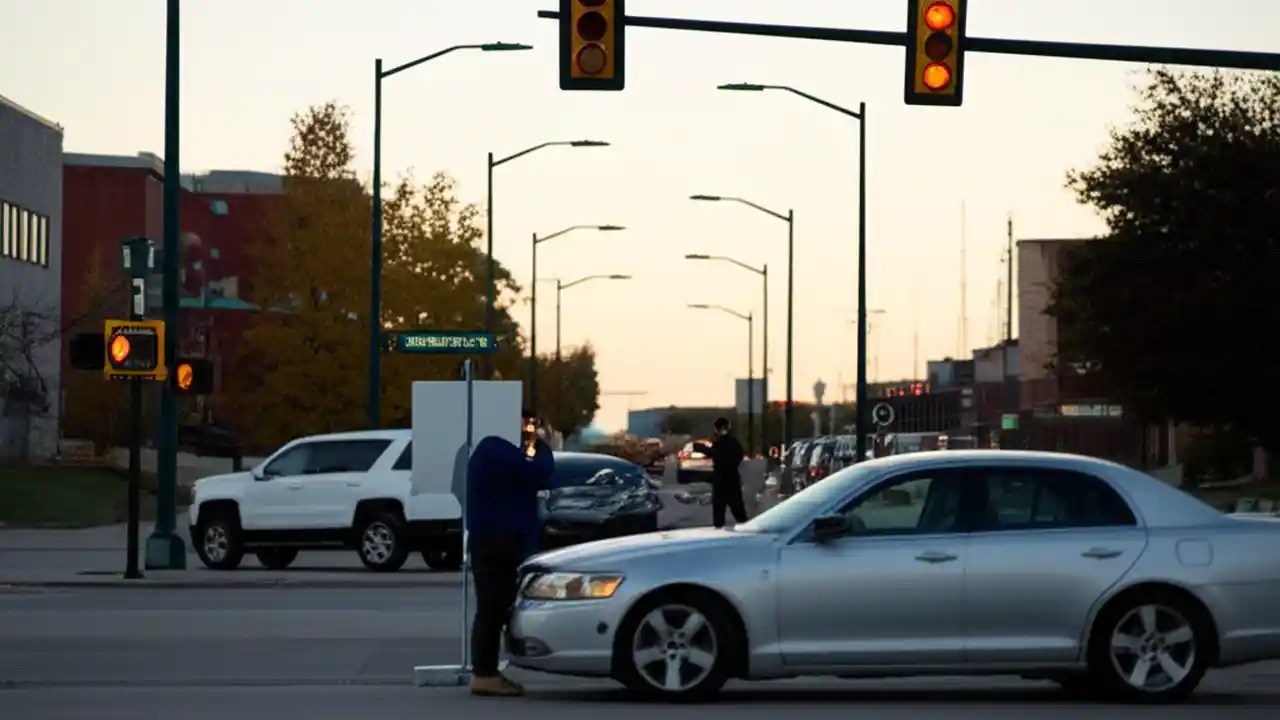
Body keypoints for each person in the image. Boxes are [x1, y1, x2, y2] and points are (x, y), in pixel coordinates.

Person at [466, 408, 555, 697]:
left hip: (496, 539)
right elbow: (540, 472)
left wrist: (532, 443)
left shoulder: (496, 451)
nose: (530, 429)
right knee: (492, 609)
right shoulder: (494, 449)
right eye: (527, 423)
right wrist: (543, 445)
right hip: (498, 542)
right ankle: (485, 674)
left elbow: (527, 467)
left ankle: (487, 672)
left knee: (493, 608)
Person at [694, 417, 749, 528]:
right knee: (735, 507)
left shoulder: (723, 443)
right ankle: (745, 526)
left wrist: (706, 450)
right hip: (731, 478)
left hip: (723, 479)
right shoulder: (733, 442)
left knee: (722, 507)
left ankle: (722, 528)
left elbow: (720, 457)